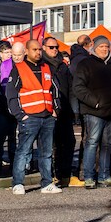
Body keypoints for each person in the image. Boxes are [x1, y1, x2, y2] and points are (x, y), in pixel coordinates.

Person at [72, 35, 111, 188]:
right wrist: (95, 102)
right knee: (92, 143)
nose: (104, 49)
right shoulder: (86, 64)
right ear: (94, 48)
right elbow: (78, 87)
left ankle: (104, 175)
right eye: (101, 46)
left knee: (108, 144)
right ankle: (89, 177)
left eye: (106, 46)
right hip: (94, 112)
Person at [6, 40, 62, 195]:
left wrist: (56, 109)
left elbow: (55, 89)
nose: (38, 52)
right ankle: (17, 183)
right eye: (34, 49)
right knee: (23, 151)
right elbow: (11, 94)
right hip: (29, 117)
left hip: (47, 116)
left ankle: (46, 183)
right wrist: (20, 115)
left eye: (39, 49)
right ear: (26, 51)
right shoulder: (18, 68)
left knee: (46, 153)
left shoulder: (46, 67)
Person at [41, 37, 78, 187]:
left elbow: (71, 88)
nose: (55, 49)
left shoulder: (63, 66)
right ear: (44, 48)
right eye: (51, 47)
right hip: (49, 111)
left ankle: (65, 175)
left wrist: (73, 110)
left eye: (56, 47)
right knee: (50, 145)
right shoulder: (42, 64)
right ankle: (52, 175)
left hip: (65, 110)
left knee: (68, 142)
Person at [0, 41, 25, 172]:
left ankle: (13, 160)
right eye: (7, 53)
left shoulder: (16, 66)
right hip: (2, 104)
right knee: (0, 135)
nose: (10, 55)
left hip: (12, 104)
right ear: (1, 54)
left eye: (11, 52)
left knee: (12, 136)